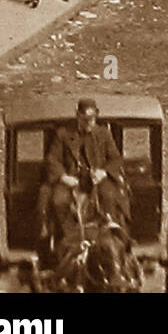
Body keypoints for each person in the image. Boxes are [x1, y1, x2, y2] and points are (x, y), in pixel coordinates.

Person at [39, 99, 130, 255]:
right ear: (78, 116)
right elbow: (52, 159)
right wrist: (63, 177)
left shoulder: (104, 134)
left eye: (92, 119)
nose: (89, 123)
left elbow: (116, 158)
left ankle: (110, 235)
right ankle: (68, 237)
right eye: (85, 120)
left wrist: (104, 172)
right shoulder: (63, 135)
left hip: (97, 180)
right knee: (58, 200)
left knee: (109, 195)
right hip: (71, 181)